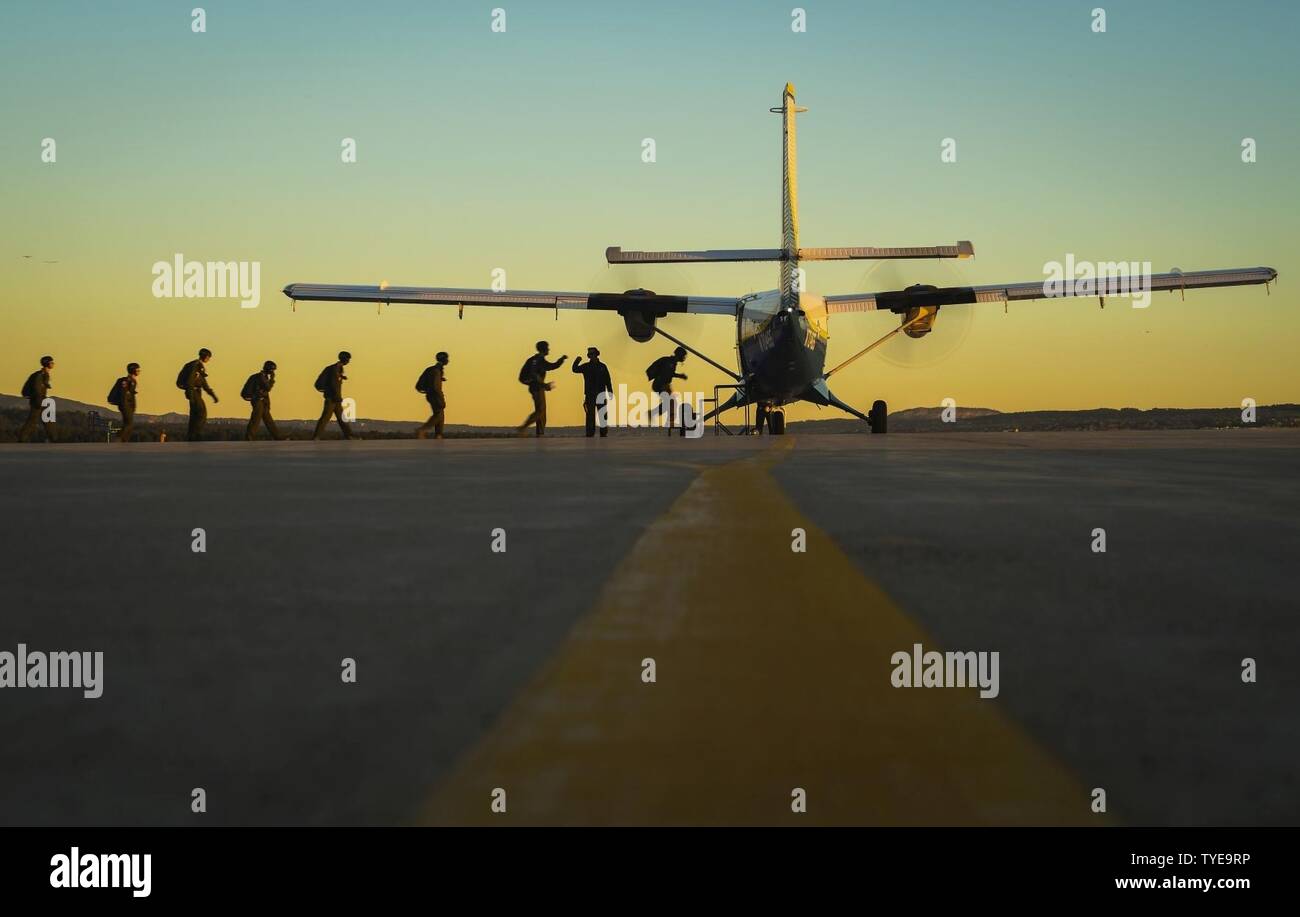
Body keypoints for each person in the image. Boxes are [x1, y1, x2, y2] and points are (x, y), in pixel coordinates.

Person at [516, 340, 567, 437]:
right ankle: (524, 428)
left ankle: (540, 432)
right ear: (544, 349)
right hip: (537, 388)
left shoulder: (534, 360)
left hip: (537, 387)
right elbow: (550, 367)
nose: (549, 350)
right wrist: (561, 360)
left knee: (541, 411)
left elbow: (550, 367)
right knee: (540, 410)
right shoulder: (539, 360)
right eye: (547, 348)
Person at [312, 351, 355, 440]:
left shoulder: (338, 368)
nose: (349, 361)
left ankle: (350, 436)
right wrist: (337, 396)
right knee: (325, 418)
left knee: (342, 419)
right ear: (344, 359)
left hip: (336, 399)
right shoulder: (335, 369)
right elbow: (333, 383)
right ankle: (316, 436)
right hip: (332, 398)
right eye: (348, 359)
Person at [572, 346, 613, 438]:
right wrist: (577, 361)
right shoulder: (586, 366)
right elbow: (574, 369)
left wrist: (610, 391)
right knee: (590, 416)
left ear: (596, 354)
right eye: (590, 354)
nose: (591, 356)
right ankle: (590, 434)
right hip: (590, 395)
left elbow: (607, 380)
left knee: (602, 415)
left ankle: (603, 433)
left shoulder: (602, 367)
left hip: (601, 394)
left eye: (592, 354)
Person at [179, 348, 218, 441]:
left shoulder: (198, 366)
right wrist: (191, 395)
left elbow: (203, 383)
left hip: (195, 392)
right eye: (209, 357)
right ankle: (196, 435)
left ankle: (191, 436)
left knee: (194, 415)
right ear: (205, 357)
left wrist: (212, 395)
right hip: (193, 392)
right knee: (201, 413)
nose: (209, 359)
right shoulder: (195, 366)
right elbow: (190, 381)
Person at [646, 346, 688, 429]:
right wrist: (680, 376)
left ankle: (654, 413)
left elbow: (669, 373)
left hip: (664, 385)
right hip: (661, 385)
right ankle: (669, 421)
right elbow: (667, 374)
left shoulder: (671, 362)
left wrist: (679, 376)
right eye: (683, 355)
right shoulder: (670, 363)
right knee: (671, 402)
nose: (683, 358)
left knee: (670, 403)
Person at [242, 361, 284, 441]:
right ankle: (249, 437)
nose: (273, 372)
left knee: (268, 420)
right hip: (258, 400)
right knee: (256, 420)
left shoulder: (262, 376)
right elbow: (268, 388)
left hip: (262, 401)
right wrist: (272, 379)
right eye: (272, 370)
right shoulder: (261, 377)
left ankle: (277, 436)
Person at [18, 355, 56, 442]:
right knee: (33, 422)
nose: (53, 364)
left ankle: (54, 439)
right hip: (38, 401)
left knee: (46, 421)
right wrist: (39, 401)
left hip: (41, 400)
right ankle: (22, 439)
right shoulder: (40, 375)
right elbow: (37, 388)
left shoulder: (44, 374)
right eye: (51, 362)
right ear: (47, 363)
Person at [415, 352, 450, 439]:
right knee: (438, 414)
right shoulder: (436, 371)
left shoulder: (434, 370)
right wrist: (440, 398)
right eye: (447, 358)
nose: (448, 360)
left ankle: (438, 435)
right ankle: (423, 429)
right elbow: (435, 387)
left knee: (440, 414)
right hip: (435, 395)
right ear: (444, 359)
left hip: (431, 395)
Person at [108, 363, 141, 443]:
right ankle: (118, 439)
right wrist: (124, 405)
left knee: (129, 424)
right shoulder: (126, 381)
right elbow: (124, 394)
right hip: (125, 405)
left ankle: (124, 440)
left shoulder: (132, 380)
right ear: (133, 370)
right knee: (128, 424)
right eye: (137, 370)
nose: (139, 372)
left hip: (128, 405)